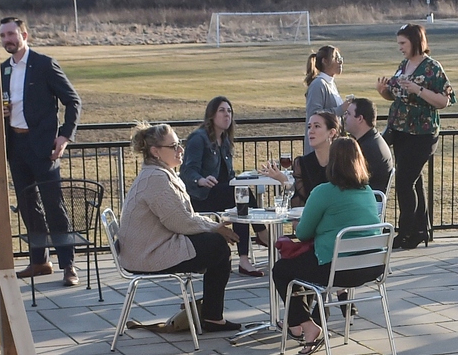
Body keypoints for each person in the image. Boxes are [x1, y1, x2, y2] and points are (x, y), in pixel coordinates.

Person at [118, 123, 242, 333]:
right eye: (174, 146)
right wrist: (216, 228)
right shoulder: (155, 178)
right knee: (218, 247)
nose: (180, 150)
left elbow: (183, 219)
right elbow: (180, 222)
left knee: (216, 246)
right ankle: (212, 316)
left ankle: (211, 314)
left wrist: (214, 226)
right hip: (147, 255)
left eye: (180, 144)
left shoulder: (159, 174)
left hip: (149, 249)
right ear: (155, 152)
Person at [272, 137, 382, 355]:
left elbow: (302, 233)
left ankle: (306, 324)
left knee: (282, 269)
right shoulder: (368, 192)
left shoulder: (324, 192)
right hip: (371, 267)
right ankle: (300, 323)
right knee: (300, 267)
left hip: (336, 269)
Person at [0, 16, 82, 287]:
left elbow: (72, 101)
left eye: (11, 34)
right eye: (3, 36)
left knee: (53, 206)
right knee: (27, 206)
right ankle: (39, 260)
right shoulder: (1, 70)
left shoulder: (44, 65)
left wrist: (65, 136)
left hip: (44, 147)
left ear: (25, 35)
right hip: (15, 145)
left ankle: (68, 265)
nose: (7, 40)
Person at [377, 23, 455, 250]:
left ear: (415, 41)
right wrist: (384, 92)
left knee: (404, 182)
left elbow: (444, 101)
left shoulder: (432, 68)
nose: (400, 48)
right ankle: (421, 229)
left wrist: (418, 90)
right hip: (400, 131)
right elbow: (397, 97)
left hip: (422, 133)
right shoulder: (404, 65)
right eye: (398, 43)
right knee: (414, 181)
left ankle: (406, 232)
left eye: (403, 43)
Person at [180, 96, 268, 278]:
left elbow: (228, 176)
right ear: (211, 115)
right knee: (239, 195)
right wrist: (201, 180)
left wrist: (247, 177)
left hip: (222, 194)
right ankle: (261, 235)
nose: (227, 114)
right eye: (222, 110)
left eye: (229, 111)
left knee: (240, 196)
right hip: (200, 197)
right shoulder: (199, 138)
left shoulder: (225, 140)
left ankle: (248, 255)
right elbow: (188, 171)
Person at [261, 111, 340, 207]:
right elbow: (299, 203)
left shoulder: (343, 161)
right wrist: (282, 179)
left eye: (317, 126)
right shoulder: (303, 163)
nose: (311, 131)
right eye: (309, 127)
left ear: (331, 132)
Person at [343, 97, 393, 193]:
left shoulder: (368, 148)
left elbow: (350, 181)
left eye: (348, 114)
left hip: (365, 202)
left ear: (360, 118)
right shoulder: (372, 139)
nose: (345, 117)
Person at [304, 45, 345, 151]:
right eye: (336, 58)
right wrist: (341, 109)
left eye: (341, 59)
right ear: (325, 61)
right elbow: (314, 115)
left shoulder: (330, 83)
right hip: (320, 151)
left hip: (331, 146)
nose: (340, 62)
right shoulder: (318, 84)